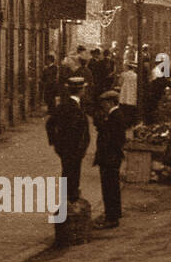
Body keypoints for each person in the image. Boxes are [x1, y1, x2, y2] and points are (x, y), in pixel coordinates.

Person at [47, 78, 91, 207]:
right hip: (73, 149)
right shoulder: (72, 107)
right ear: (81, 90)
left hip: (68, 148)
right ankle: (70, 204)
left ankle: (69, 202)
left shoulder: (64, 105)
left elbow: (49, 124)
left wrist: (55, 143)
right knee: (72, 175)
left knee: (68, 174)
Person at [92, 89, 128, 229]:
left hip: (109, 157)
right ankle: (113, 214)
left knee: (109, 188)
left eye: (105, 103)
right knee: (112, 187)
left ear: (111, 102)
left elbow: (112, 138)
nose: (103, 106)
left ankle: (111, 217)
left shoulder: (115, 116)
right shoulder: (114, 115)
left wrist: (101, 125)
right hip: (112, 157)